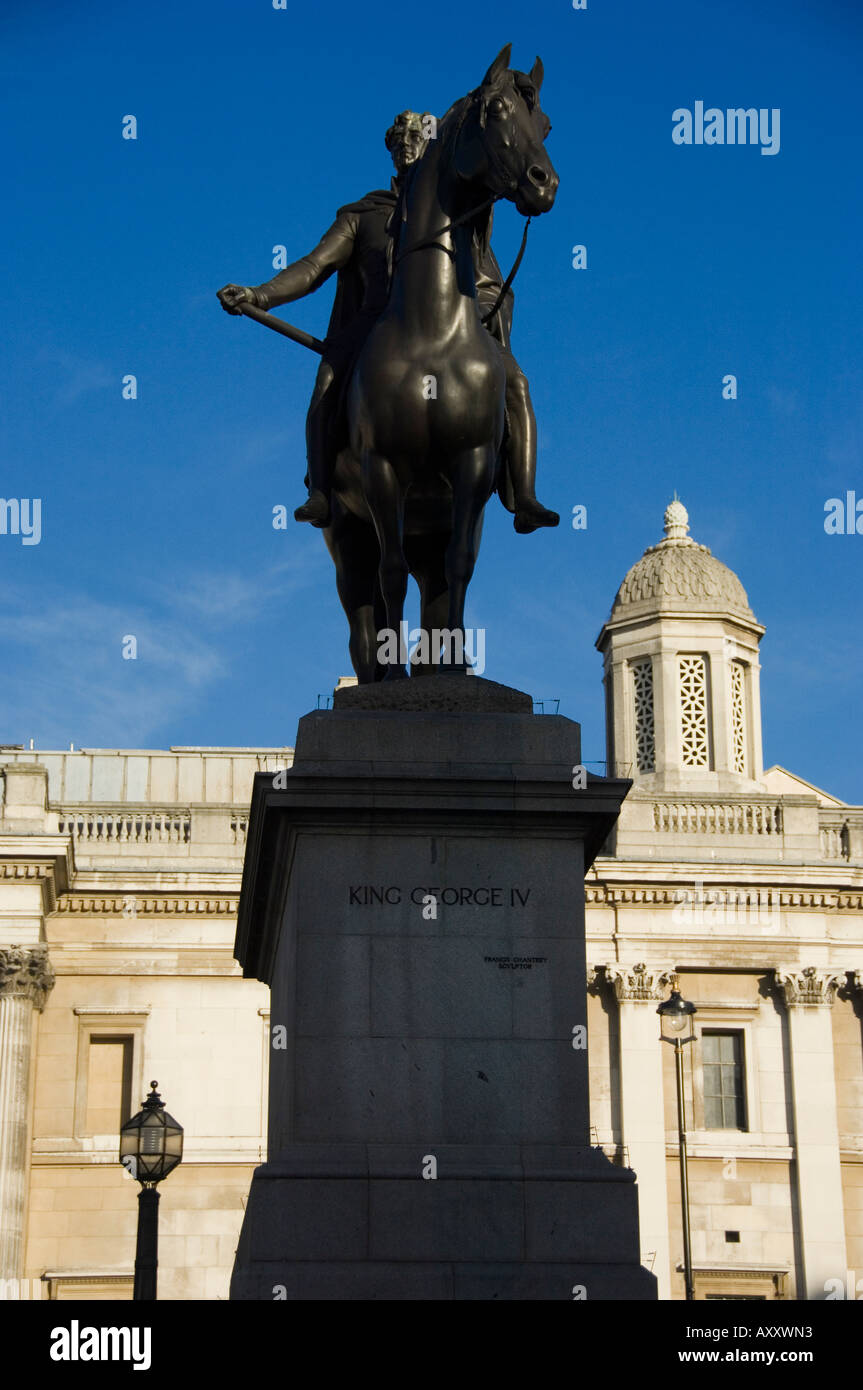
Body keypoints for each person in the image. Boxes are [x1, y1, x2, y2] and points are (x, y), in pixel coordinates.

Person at [218, 110, 558, 533]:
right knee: (327, 382)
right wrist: (259, 294)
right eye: (399, 140)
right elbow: (313, 267)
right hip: (374, 326)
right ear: (391, 151)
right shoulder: (364, 215)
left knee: (516, 382)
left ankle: (523, 495)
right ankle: (321, 489)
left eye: (417, 137)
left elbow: (490, 279)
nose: (408, 146)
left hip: (453, 327)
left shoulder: (460, 215)